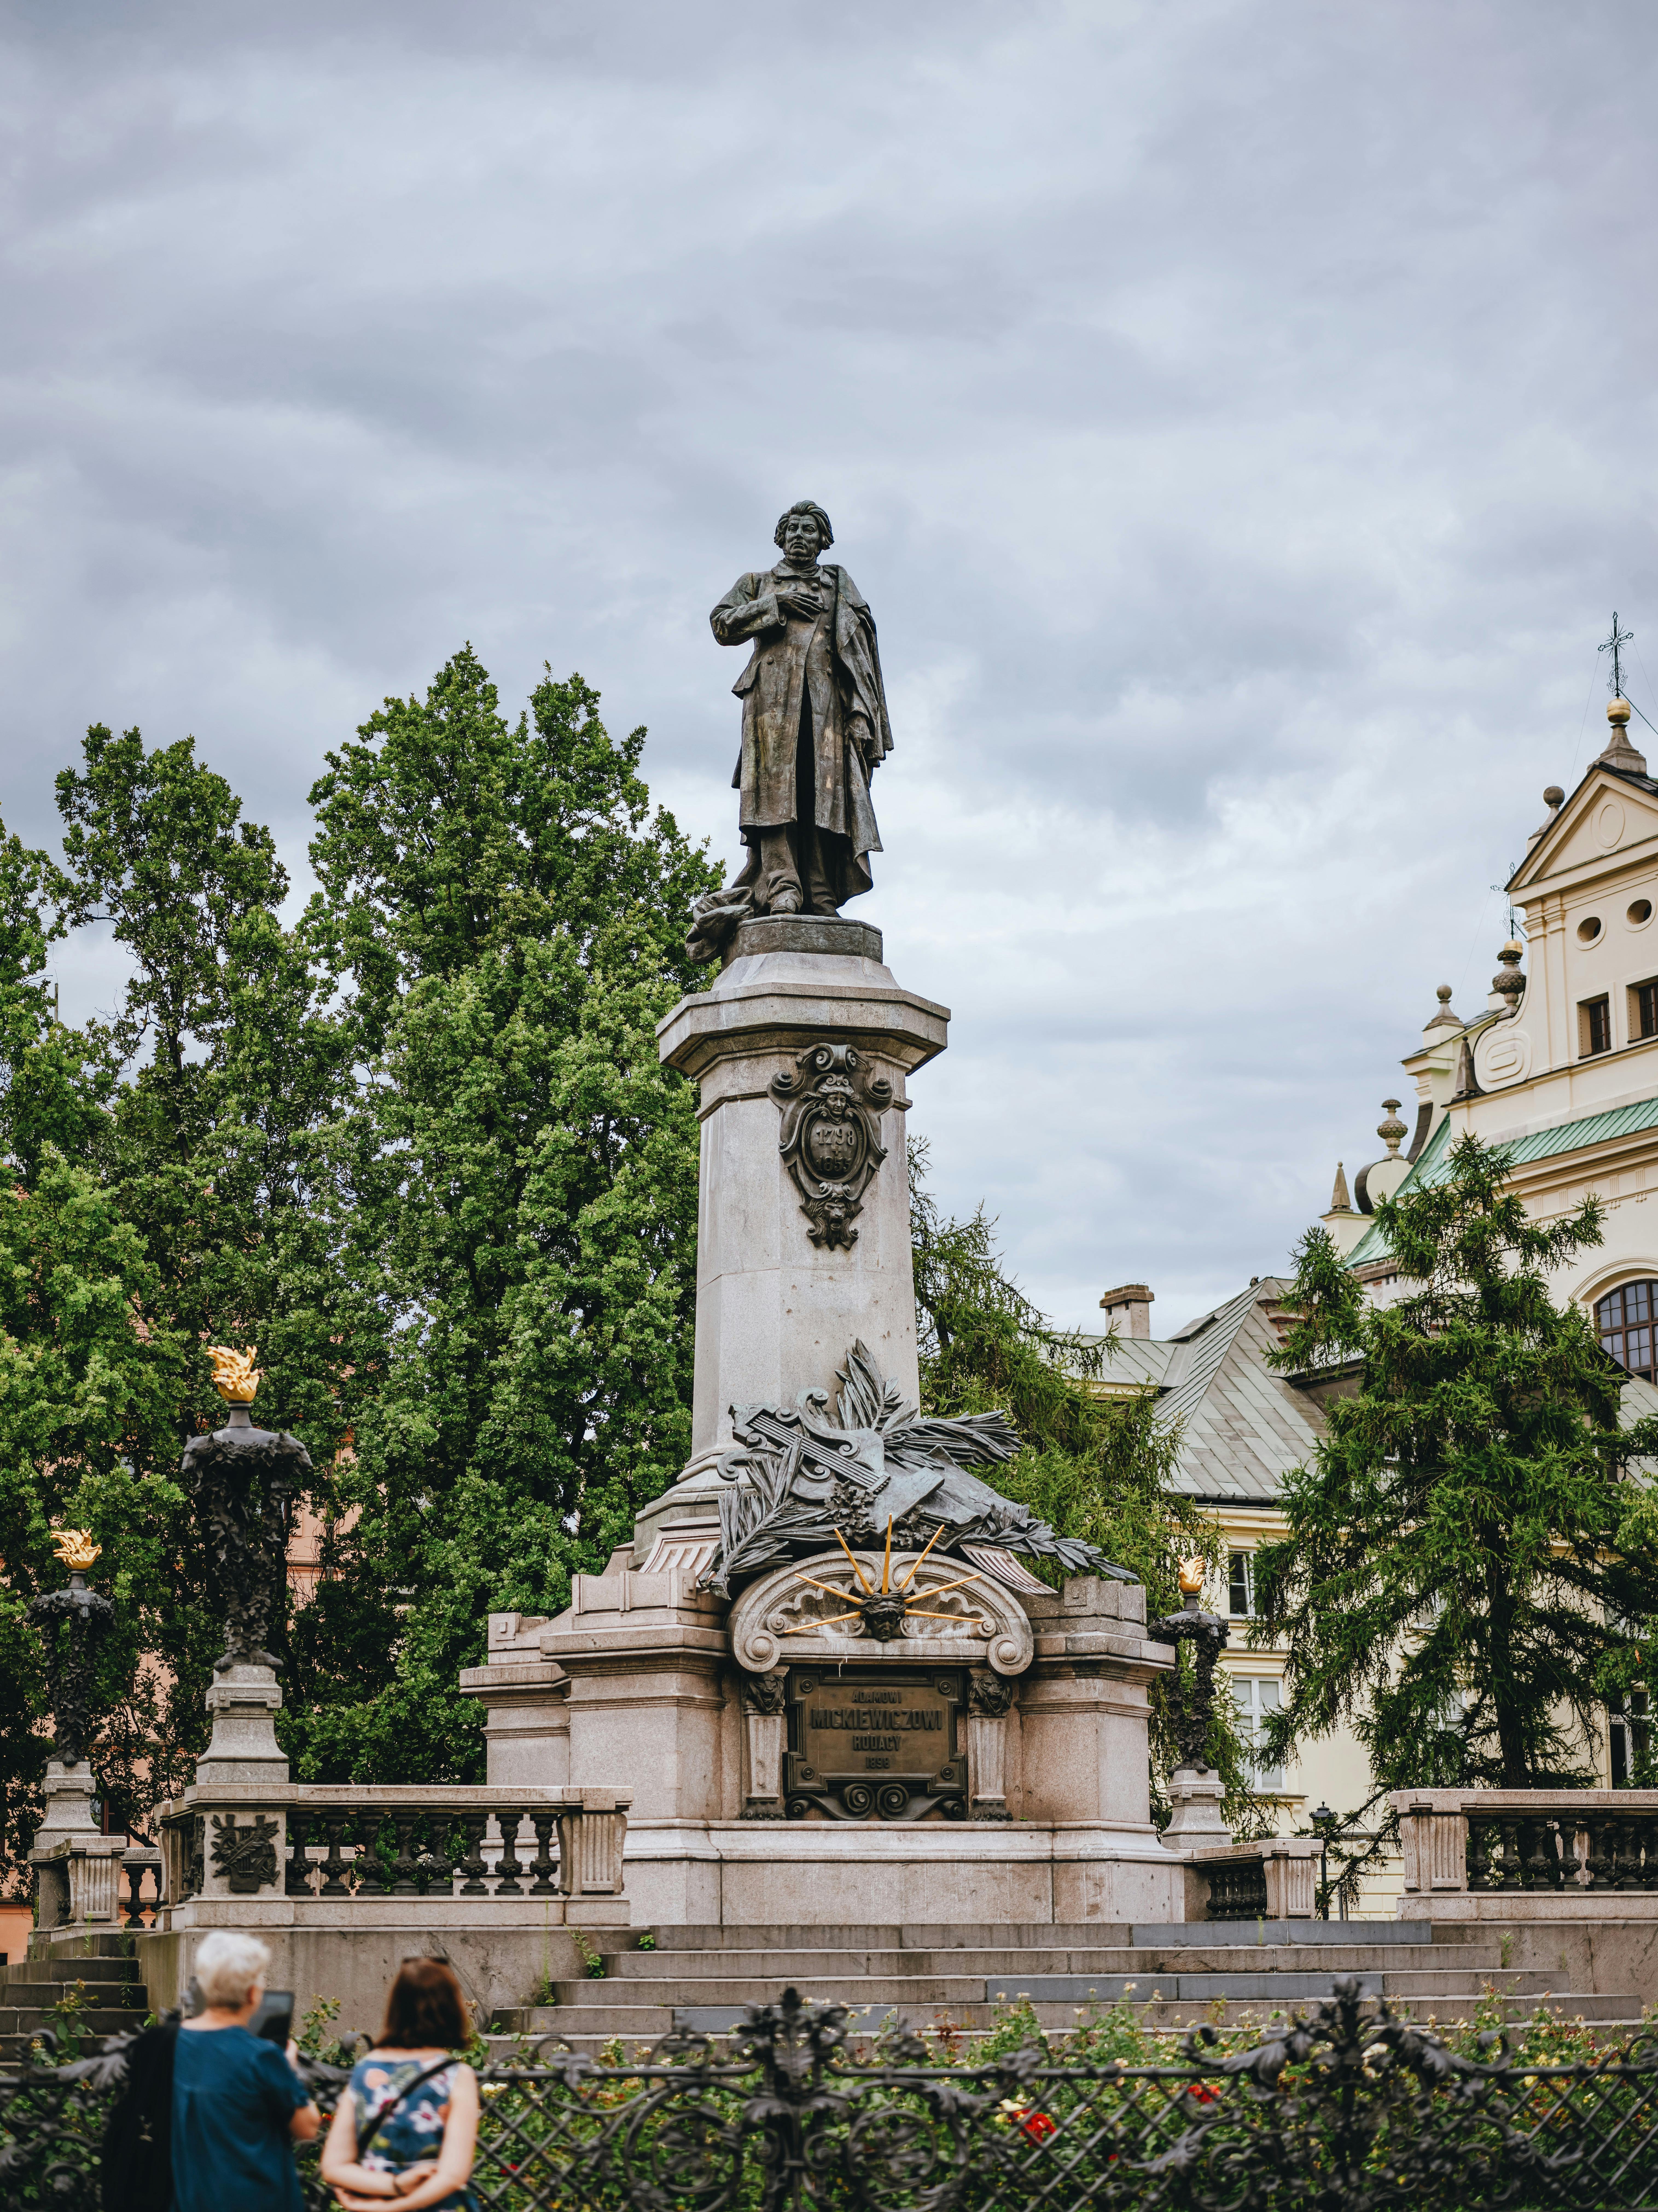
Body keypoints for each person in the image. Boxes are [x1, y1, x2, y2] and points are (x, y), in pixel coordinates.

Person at [691, 499, 894, 958]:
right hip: (771, 706)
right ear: (781, 537)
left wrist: (862, 714)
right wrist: (776, 604)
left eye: (810, 530)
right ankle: (784, 887)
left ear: (824, 540)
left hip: (827, 711)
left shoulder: (839, 585)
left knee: (827, 800)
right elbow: (722, 624)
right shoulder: (757, 584)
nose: (801, 536)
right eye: (793, 529)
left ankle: (820, 895)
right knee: (775, 801)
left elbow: (860, 656)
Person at [171, 1929, 320, 2212]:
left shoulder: (170, 2043)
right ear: (253, 1995)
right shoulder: (262, 2057)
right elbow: (308, 2127)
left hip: (192, 2197)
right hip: (256, 2198)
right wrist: (288, 2069)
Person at [320, 1957, 479, 2211]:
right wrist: (400, 2206)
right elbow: (453, 2175)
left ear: (395, 2007)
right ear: (452, 2008)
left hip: (374, 2199)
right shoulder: (456, 2075)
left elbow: (334, 2167)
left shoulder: (366, 2070)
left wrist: (393, 2188)